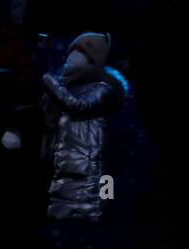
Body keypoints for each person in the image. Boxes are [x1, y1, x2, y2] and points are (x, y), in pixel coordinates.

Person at [40, 32, 127, 221]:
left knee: (90, 230)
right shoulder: (64, 84)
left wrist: (106, 198)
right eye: (74, 50)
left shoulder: (103, 88)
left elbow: (77, 105)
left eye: (81, 52)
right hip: (62, 176)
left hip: (89, 179)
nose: (73, 56)